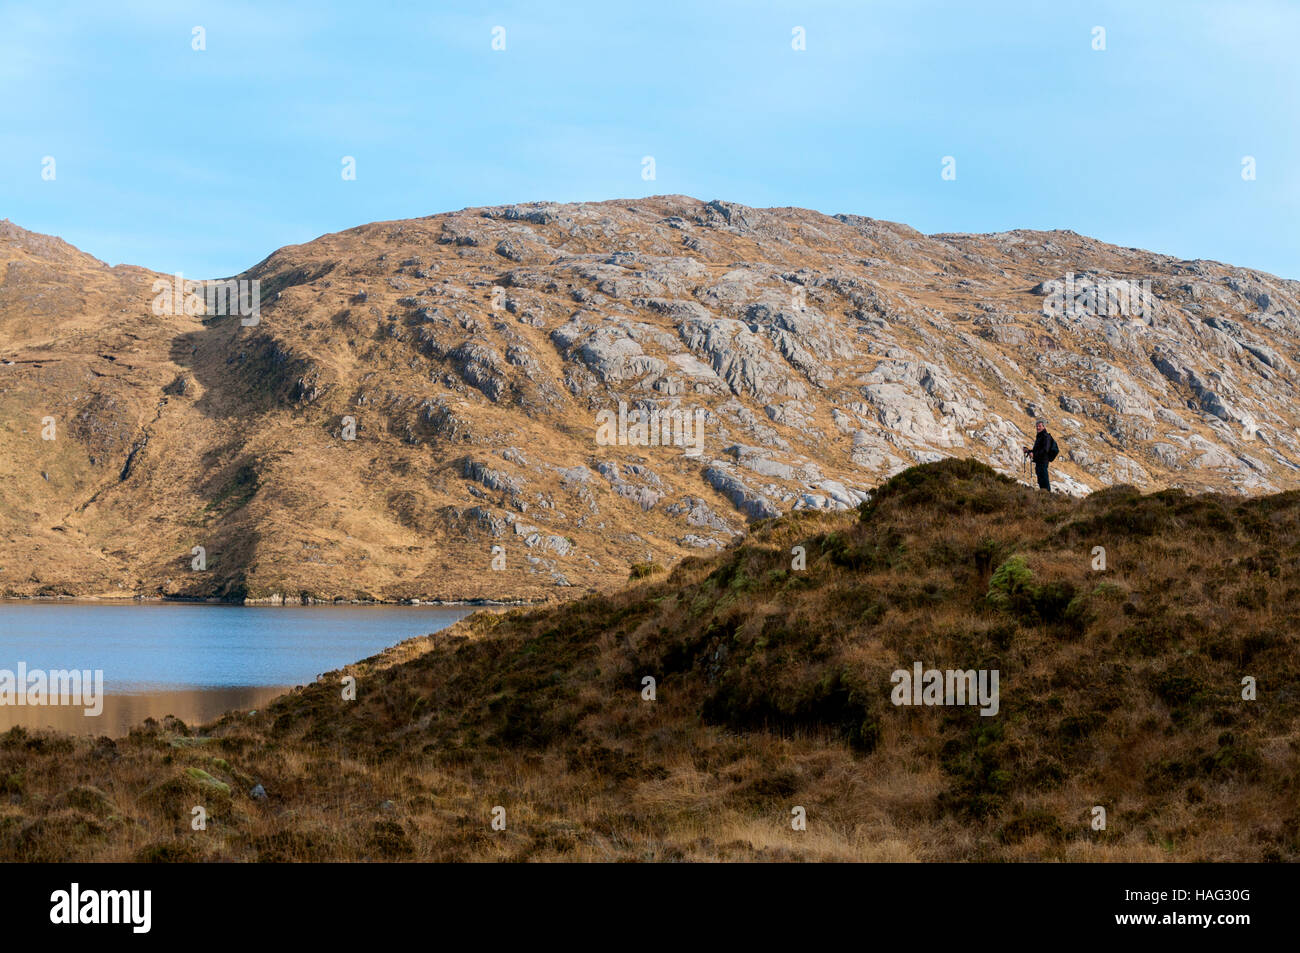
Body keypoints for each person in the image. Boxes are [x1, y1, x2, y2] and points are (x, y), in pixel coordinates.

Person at [1024, 419, 1058, 491]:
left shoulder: (1046, 436)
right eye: (1037, 426)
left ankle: (1047, 497)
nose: (1037, 428)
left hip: (1043, 462)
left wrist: (1034, 455)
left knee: (1044, 481)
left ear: (1044, 427)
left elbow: (1045, 450)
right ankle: (1044, 496)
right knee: (1041, 481)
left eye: (1039, 426)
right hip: (1039, 462)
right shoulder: (1039, 436)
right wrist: (1028, 451)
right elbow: (1037, 450)